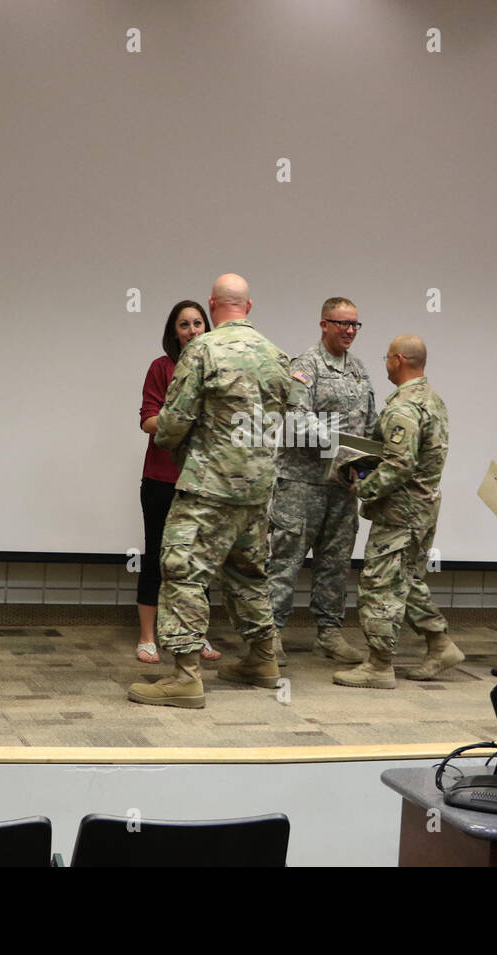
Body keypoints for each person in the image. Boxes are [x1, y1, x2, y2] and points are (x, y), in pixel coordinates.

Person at [127, 274, 291, 708]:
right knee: (248, 575)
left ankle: (184, 678)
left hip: (209, 487)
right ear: (249, 307)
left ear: (213, 304)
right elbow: (285, 419)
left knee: (181, 570)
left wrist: (172, 437)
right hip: (256, 491)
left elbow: (172, 424)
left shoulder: (201, 350)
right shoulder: (276, 355)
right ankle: (263, 661)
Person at [333, 335, 464, 688]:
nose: (385, 364)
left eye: (387, 358)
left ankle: (379, 665)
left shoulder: (403, 408)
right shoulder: (433, 401)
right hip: (421, 509)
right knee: (405, 581)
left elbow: (398, 464)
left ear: (398, 359)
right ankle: (440, 644)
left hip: (400, 514)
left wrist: (361, 486)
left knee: (379, 585)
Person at [265, 297, 377, 666]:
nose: (349, 331)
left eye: (355, 325)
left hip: (342, 487)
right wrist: (341, 444)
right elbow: (297, 421)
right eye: (342, 323)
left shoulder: (360, 371)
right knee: (285, 561)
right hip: (301, 484)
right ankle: (271, 636)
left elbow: (369, 425)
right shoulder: (305, 367)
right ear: (323, 324)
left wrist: (367, 461)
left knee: (335, 564)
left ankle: (329, 634)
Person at [136, 301, 220, 664]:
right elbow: (148, 421)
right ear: (174, 332)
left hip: (202, 479)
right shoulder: (161, 368)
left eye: (198, 323)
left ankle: (195, 633)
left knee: (197, 560)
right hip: (161, 478)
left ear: (208, 326)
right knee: (156, 556)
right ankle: (147, 638)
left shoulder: (218, 368)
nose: (192, 330)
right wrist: (182, 421)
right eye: (184, 325)